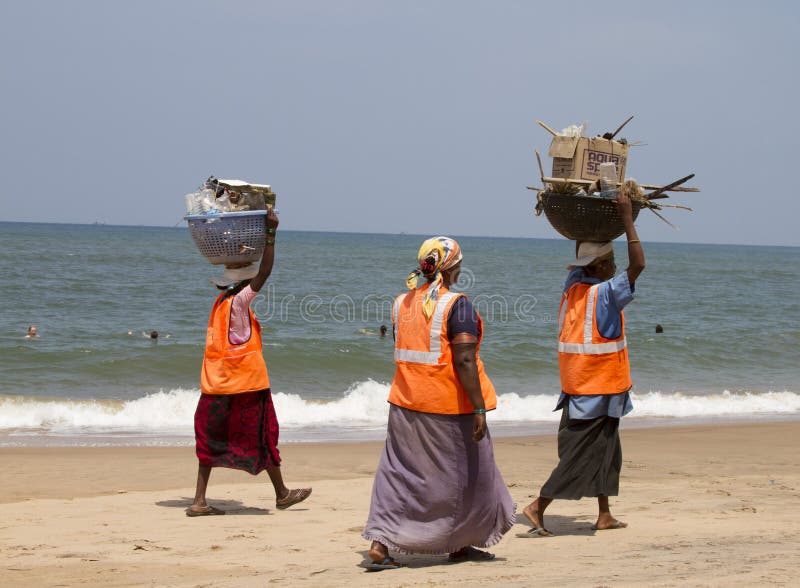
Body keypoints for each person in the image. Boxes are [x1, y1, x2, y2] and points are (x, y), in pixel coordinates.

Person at [362, 236, 516, 568]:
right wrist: (478, 408)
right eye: (459, 262)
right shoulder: (457, 305)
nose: (461, 267)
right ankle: (457, 542)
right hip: (448, 410)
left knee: (399, 474)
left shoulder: (401, 302)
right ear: (451, 267)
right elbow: (463, 359)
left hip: (405, 404)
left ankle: (382, 544)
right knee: (471, 476)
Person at [522, 189, 645, 537]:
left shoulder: (572, 287)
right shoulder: (605, 295)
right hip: (596, 390)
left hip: (586, 388)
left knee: (608, 452)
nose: (617, 268)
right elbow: (639, 265)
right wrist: (625, 216)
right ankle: (537, 506)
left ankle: (604, 514)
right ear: (602, 266)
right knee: (580, 457)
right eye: (611, 264)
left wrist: (586, 212)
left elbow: (584, 255)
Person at [187, 208, 311, 516]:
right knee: (265, 437)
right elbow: (265, 272)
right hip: (246, 387)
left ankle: (199, 501)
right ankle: (282, 494)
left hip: (215, 386)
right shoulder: (240, 302)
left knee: (209, 441)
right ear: (245, 282)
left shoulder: (220, 304)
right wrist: (271, 233)